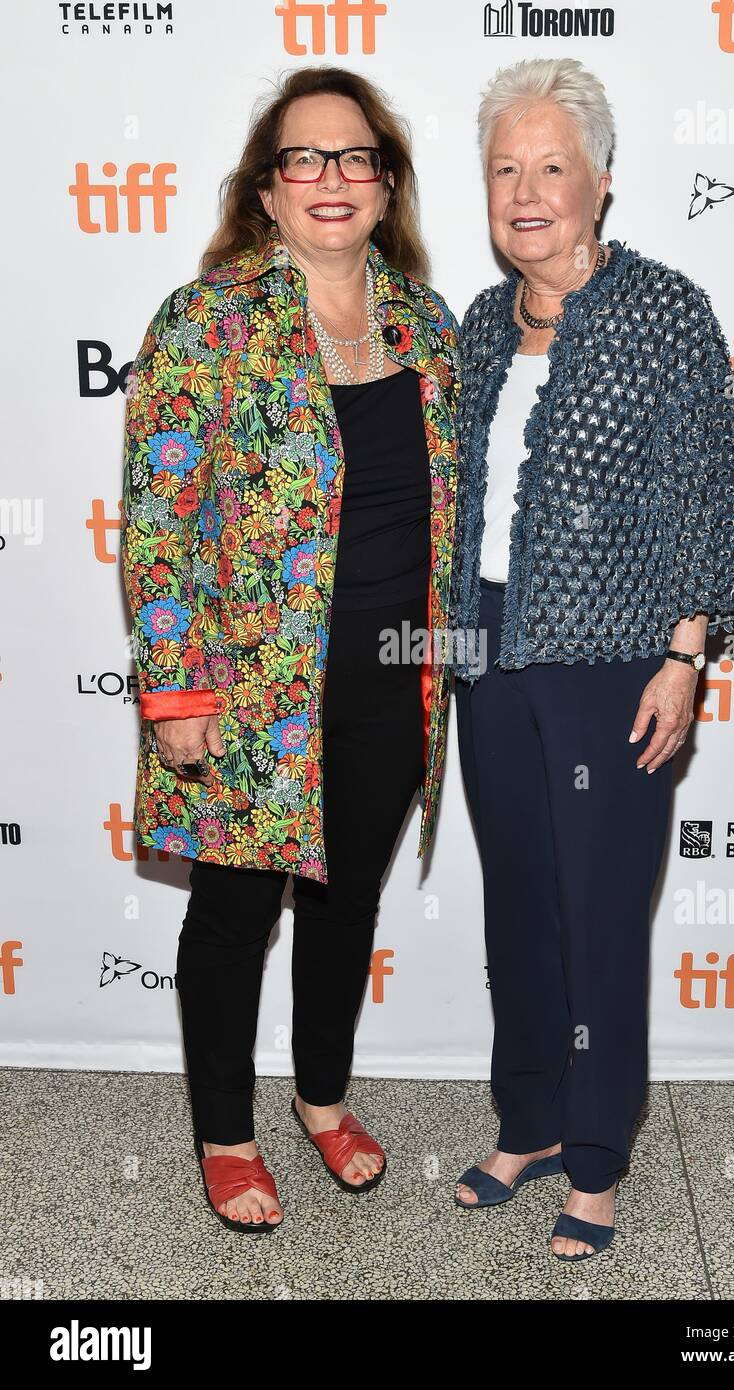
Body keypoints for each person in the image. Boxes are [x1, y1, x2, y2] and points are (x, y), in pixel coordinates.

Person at [120, 67, 459, 1232]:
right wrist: (175, 693)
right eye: (303, 159)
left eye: (355, 156)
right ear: (266, 189)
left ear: (385, 183)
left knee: (343, 900)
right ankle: (224, 1132)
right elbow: (159, 520)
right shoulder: (205, 319)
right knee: (231, 914)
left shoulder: (425, 324)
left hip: (393, 674)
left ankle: (321, 1097)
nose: (331, 178)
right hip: (250, 686)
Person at [449, 57, 734, 1262]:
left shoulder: (663, 311)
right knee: (518, 904)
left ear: (600, 184)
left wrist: (685, 655)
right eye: (504, 170)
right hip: (487, 651)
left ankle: (594, 1157)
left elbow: (706, 491)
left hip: (612, 662)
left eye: (550, 168)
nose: (525, 192)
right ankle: (524, 1119)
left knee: (596, 913)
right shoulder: (480, 324)